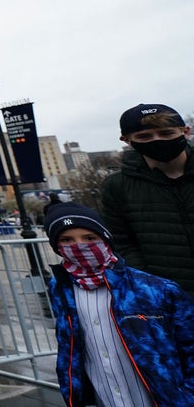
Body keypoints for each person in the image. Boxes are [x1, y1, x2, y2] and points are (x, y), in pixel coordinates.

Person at [44, 202, 194, 406]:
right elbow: (69, 346)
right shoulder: (60, 288)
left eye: (89, 238)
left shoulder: (155, 289)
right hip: (104, 397)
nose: (79, 246)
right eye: (67, 240)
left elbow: (189, 345)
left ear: (105, 239)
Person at [101, 103, 194, 295]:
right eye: (144, 136)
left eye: (166, 133)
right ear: (127, 140)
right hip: (169, 297)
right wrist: (150, 284)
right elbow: (121, 243)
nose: (157, 140)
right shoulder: (117, 186)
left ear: (185, 132)